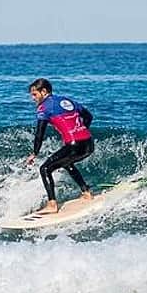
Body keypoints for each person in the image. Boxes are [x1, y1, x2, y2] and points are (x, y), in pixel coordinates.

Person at [25, 78, 94, 216]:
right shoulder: (66, 100)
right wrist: (80, 130)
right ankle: (86, 192)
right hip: (88, 143)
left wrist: (34, 153)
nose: (33, 98)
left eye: (34, 94)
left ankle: (52, 205)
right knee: (67, 163)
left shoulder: (44, 108)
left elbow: (40, 134)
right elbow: (89, 116)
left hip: (74, 145)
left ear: (43, 92)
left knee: (44, 169)